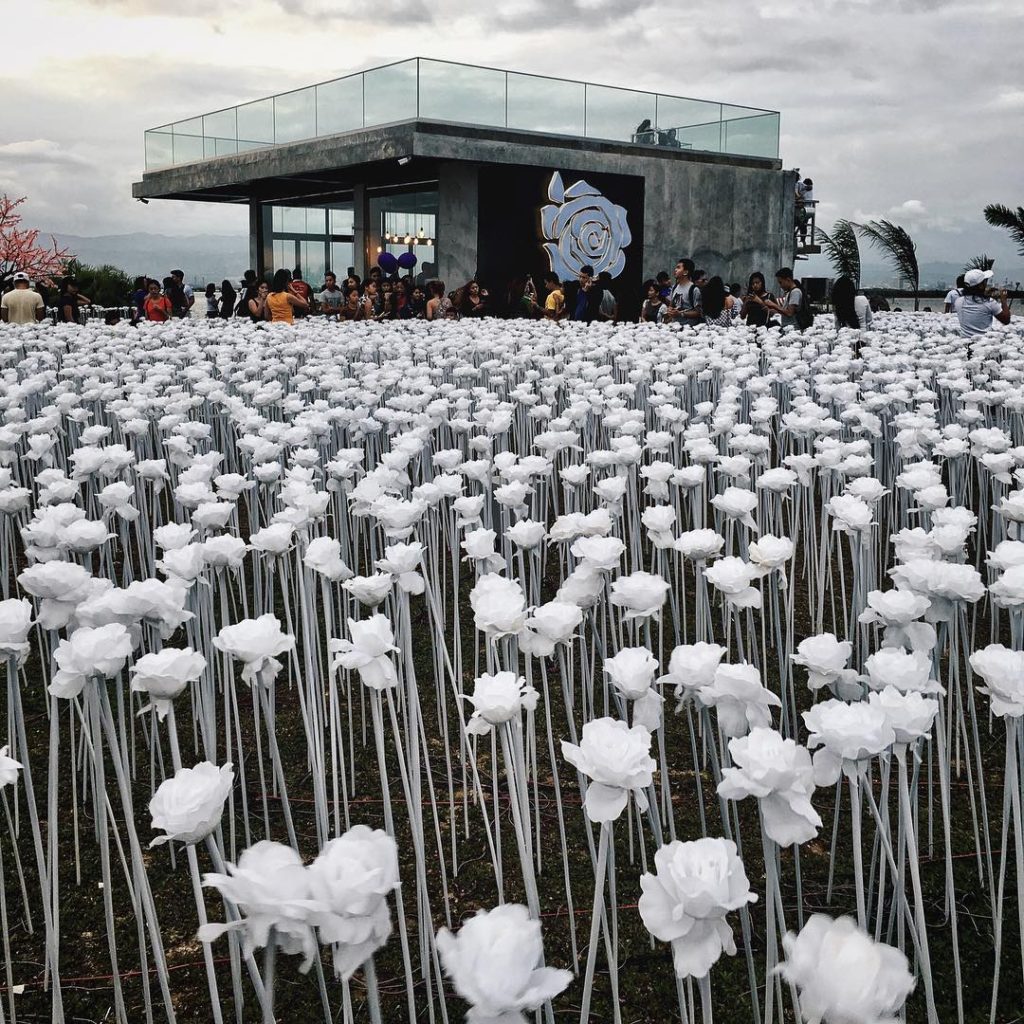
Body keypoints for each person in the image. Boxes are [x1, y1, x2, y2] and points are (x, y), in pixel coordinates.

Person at [955, 268, 1011, 338]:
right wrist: (1003, 301)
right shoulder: (990, 302)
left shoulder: (958, 301)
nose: (986, 284)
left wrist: (985, 294)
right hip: (983, 343)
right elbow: (1006, 320)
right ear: (981, 286)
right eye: (984, 282)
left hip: (965, 340)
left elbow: (975, 302)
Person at [663, 258, 702, 324]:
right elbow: (671, 305)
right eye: (676, 267)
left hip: (689, 329)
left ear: (685, 272)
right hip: (675, 326)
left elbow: (698, 312)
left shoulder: (694, 289)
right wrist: (669, 311)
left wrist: (681, 314)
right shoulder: (674, 287)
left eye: (678, 268)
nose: (675, 270)